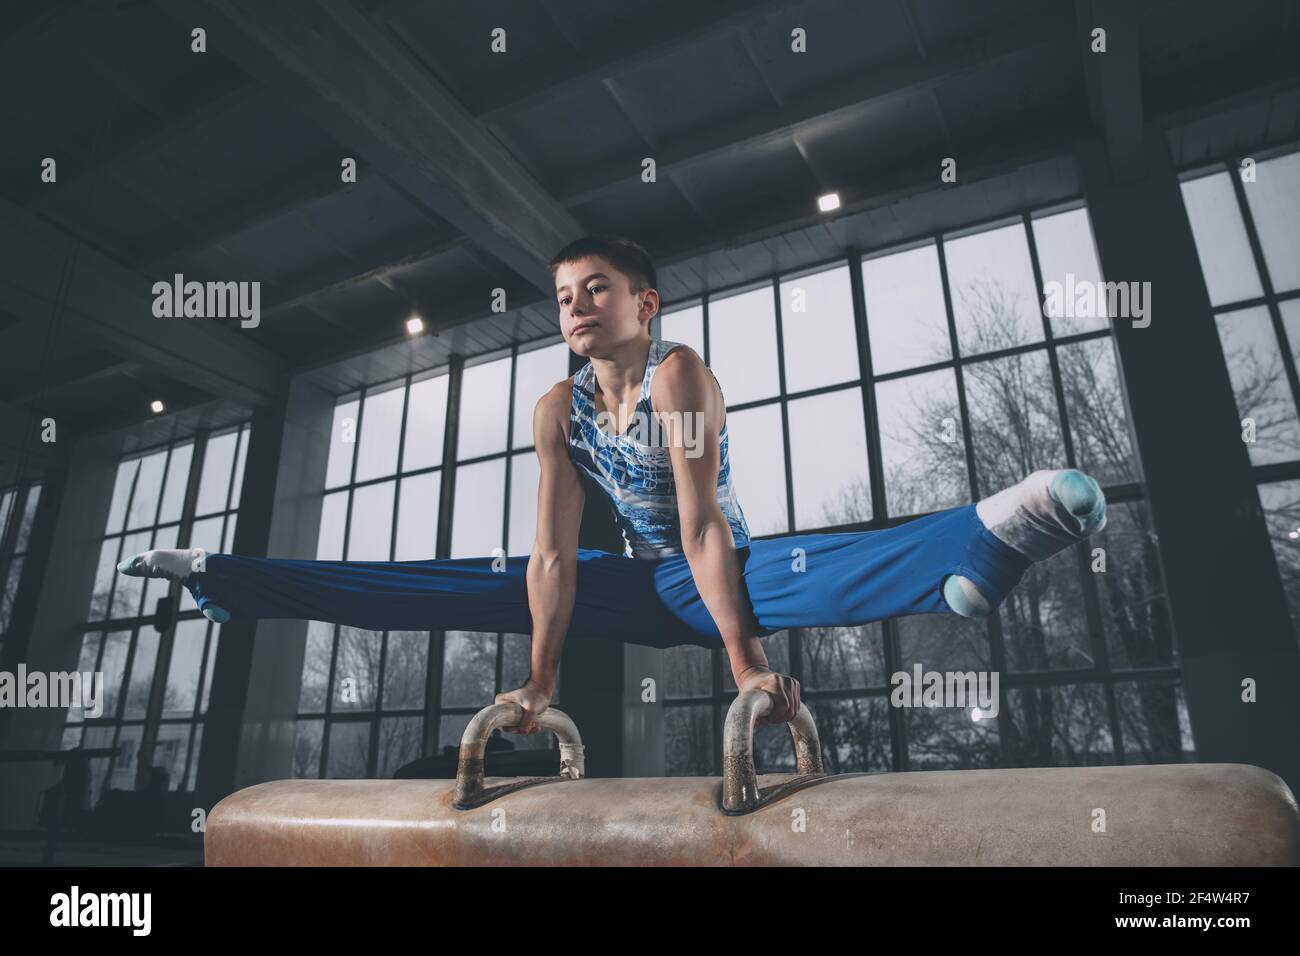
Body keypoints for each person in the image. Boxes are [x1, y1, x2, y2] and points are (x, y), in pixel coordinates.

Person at [119, 236, 1107, 739]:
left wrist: (744, 665)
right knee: (479, 576)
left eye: (594, 287)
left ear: (645, 302)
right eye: (560, 296)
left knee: (781, 568)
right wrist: (540, 680)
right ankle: (235, 576)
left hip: (706, 570)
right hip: (630, 578)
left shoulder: (681, 375)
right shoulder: (557, 407)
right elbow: (551, 554)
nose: (574, 306)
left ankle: (971, 541)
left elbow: (703, 522)